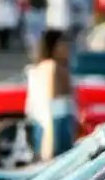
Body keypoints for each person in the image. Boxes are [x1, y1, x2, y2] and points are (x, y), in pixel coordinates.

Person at [24, 30, 76, 162]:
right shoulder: (52, 67)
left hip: (52, 122)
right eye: (62, 44)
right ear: (52, 47)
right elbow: (50, 105)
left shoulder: (44, 67)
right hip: (55, 124)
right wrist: (49, 140)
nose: (67, 48)